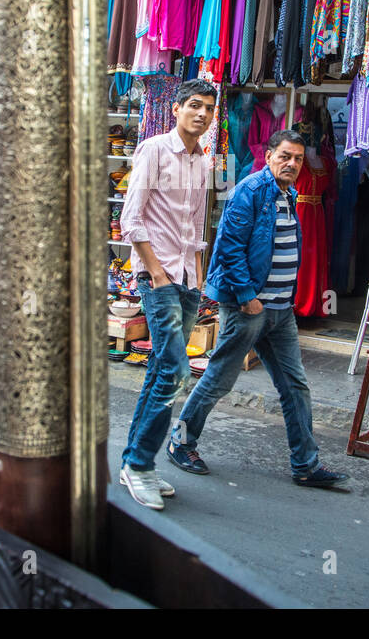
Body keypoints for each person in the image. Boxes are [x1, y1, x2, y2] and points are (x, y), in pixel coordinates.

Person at [168, 129, 349, 488]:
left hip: (280, 311)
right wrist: (249, 296)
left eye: (298, 158)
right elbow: (230, 247)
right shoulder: (250, 191)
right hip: (248, 307)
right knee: (220, 378)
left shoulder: (289, 193)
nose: (292, 164)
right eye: (285, 156)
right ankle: (180, 441)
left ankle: (306, 464)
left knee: (295, 385)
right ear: (268, 156)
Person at [118, 78, 217, 510]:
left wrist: (197, 277)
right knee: (177, 369)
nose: (202, 114)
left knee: (161, 368)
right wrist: (156, 272)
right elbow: (130, 219)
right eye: (194, 105)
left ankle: (133, 462)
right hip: (157, 277)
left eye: (209, 109)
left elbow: (196, 227)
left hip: (188, 281)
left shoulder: (204, 161)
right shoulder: (155, 150)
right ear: (176, 109)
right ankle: (141, 466)